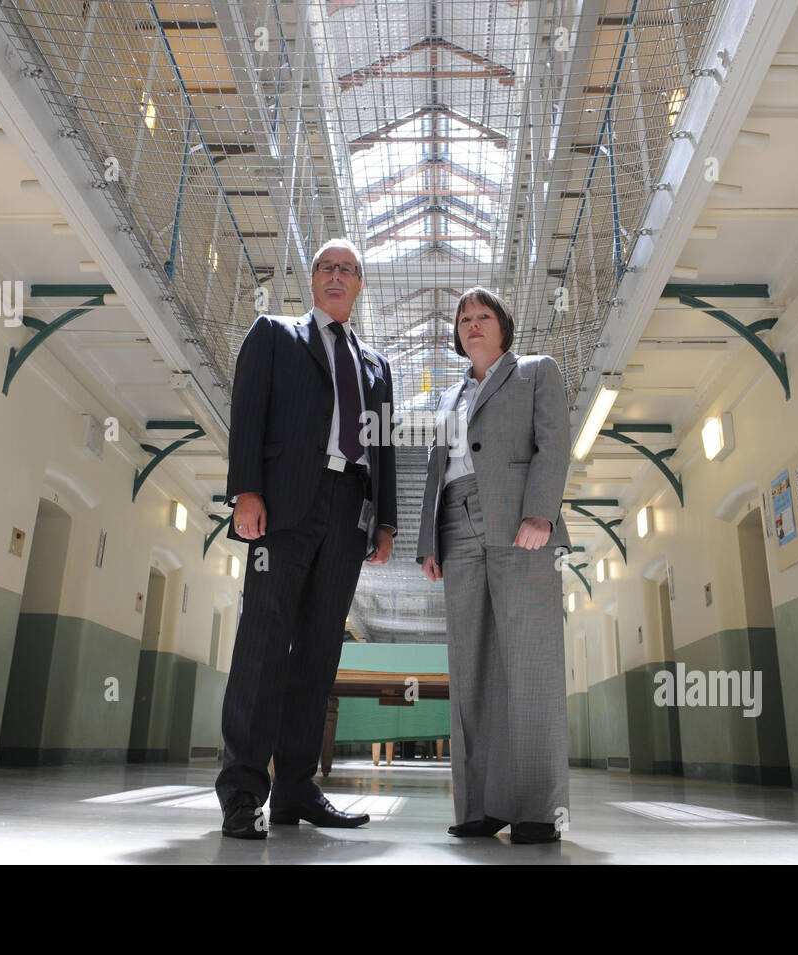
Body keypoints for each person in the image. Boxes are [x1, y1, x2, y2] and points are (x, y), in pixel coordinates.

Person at [218, 238, 396, 839]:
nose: (337, 276)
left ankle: (296, 789)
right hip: (284, 507)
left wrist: (387, 519)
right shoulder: (273, 334)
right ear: (312, 279)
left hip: (347, 513)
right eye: (327, 267)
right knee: (262, 645)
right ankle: (244, 791)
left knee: (319, 654)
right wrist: (246, 489)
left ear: (360, 285)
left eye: (348, 269)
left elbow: (385, 447)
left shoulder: (377, 366)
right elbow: (248, 413)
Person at [416, 287, 572, 844]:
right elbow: (438, 471)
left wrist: (541, 514)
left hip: (517, 523)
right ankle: (478, 807)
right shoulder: (449, 396)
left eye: (483, 315)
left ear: (504, 325)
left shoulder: (536, 372)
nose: (472, 324)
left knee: (529, 662)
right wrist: (427, 541)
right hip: (456, 526)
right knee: (470, 667)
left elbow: (555, 444)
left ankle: (537, 810)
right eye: (463, 318)